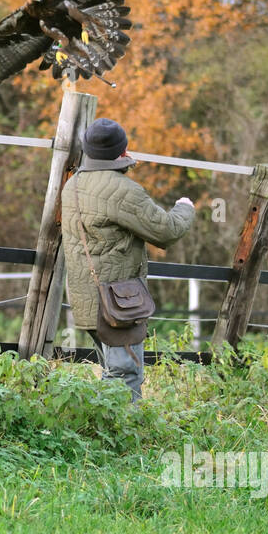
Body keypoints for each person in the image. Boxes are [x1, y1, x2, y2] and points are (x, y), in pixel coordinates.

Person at [61, 118, 195, 402]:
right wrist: (185, 208)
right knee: (125, 374)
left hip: (86, 299)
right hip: (117, 304)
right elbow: (167, 231)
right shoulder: (121, 190)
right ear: (122, 151)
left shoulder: (72, 185)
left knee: (113, 371)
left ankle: (101, 434)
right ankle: (120, 440)